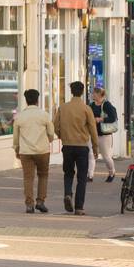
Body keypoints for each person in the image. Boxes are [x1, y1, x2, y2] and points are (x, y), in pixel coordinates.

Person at [54, 80, 100, 215]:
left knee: (68, 173)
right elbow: (93, 129)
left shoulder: (63, 108)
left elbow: (55, 126)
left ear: (71, 92)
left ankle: (68, 193)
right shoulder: (87, 109)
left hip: (67, 146)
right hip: (82, 147)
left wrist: (62, 135)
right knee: (81, 177)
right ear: (82, 92)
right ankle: (79, 207)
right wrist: (96, 147)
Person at [12, 88, 55, 213]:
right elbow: (51, 133)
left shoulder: (20, 117)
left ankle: (29, 204)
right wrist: (49, 140)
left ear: (26, 101)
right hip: (42, 150)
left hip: (26, 151)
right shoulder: (44, 115)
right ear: (37, 100)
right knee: (43, 175)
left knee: (28, 178)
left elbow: (15, 137)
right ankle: (40, 201)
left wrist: (16, 149)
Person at [89, 86, 119, 183]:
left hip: (105, 135)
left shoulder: (106, 105)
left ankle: (112, 172)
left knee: (106, 156)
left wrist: (100, 119)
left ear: (99, 94)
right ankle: (90, 176)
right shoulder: (92, 105)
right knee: (91, 155)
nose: (92, 94)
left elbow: (113, 118)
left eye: (94, 93)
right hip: (93, 133)